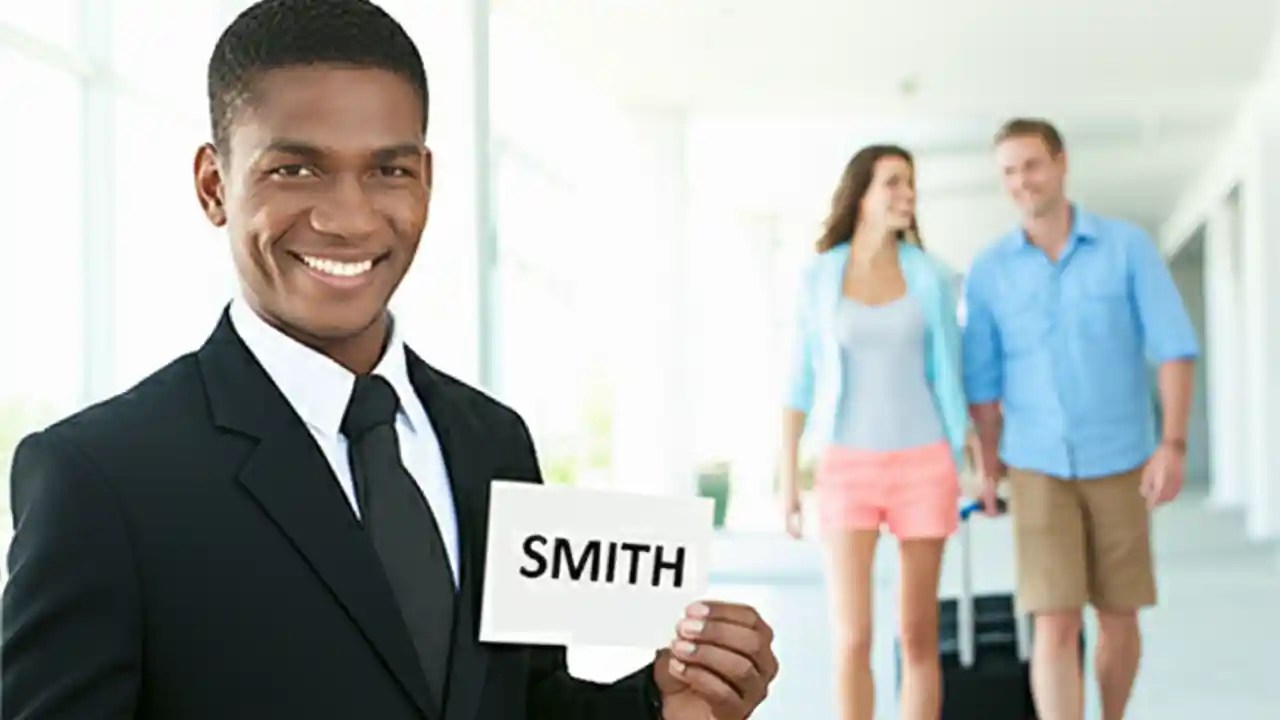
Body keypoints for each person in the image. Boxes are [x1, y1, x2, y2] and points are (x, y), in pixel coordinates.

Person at [0, 1, 780, 718]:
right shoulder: (100, 478)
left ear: (427, 182)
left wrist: (658, 704)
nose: (348, 217)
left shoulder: (491, 442)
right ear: (214, 186)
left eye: (388, 169)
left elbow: (520, 704)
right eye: (295, 168)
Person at [963, 118, 1198, 720]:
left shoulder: (1127, 248)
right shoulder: (991, 270)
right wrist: (986, 466)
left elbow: (1172, 347)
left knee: (1118, 615)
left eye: (1032, 165)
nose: (1022, 181)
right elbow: (984, 385)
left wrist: (1172, 444)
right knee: (1054, 616)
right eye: (1009, 172)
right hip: (1037, 462)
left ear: (1061, 164)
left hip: (1122, 458)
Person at [780, 145, 969, 720]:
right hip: (846, 468)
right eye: (893, 182)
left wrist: (975, 453)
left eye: (911, 184)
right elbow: (798, 383)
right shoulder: (819, 277)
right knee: (852, 636)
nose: (906, 194)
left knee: (916, 634)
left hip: (924, 463)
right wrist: (789, 480)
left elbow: (951, 374)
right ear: (861, 193)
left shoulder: (932, 276)